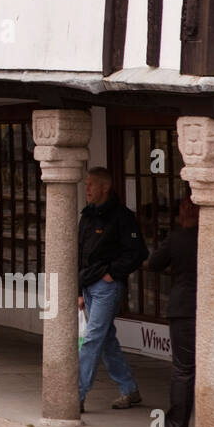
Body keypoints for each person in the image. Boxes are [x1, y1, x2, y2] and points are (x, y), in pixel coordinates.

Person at [77, 167, 147, 413]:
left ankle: (77, 394)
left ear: (104, 187)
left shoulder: (122, 217)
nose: (86, 189)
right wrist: (77, 289)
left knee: (93, 338)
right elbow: (79, 253)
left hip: (106, 286)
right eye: (86, 185)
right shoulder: (86, 215)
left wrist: (112, 274)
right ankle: (129, 389)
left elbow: (137, 252)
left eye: (91, 185)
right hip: (87, 284)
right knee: (106, 340)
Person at [146, 194, 198, 427]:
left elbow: (154, 263)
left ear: (181, 215)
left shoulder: (176, 239)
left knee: (183, 370)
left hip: (184, 309)